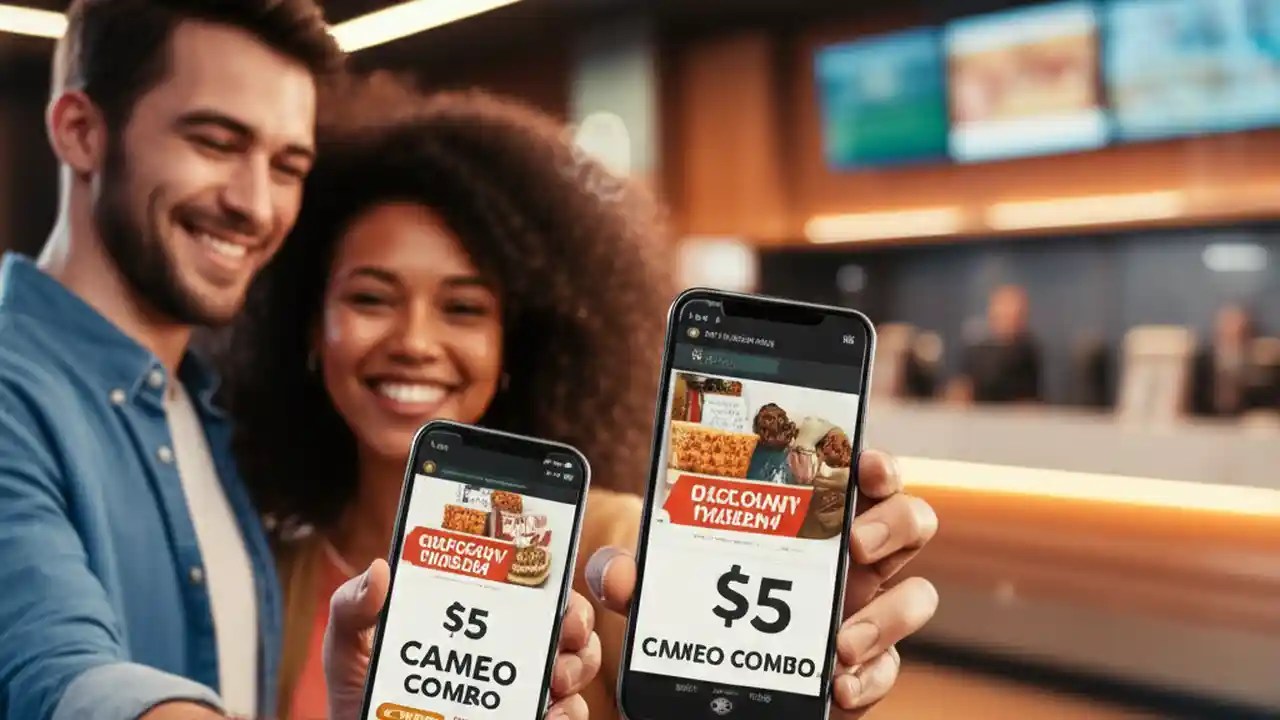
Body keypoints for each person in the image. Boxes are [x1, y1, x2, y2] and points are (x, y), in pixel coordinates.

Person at [223, 74, 940, 720]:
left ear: (512, 352)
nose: (414, 339)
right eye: (372, 298)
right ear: (310, 331)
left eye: (464, 309)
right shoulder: (265, 561)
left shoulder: (615, 548)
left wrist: (799, 679)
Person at [0, 4, 600, 720]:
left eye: (288, 166)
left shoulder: (206, 415)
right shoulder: (15, 391)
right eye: (216, 142)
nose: (256, 205)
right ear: (81, 131)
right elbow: (59, 671)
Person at [949, 284, 1042, 404]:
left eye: (1015, 313)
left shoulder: (1029, 351)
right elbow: (961, 387)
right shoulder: (976, 349)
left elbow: (1029, 398)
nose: (1009, 319)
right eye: (1004, 312)